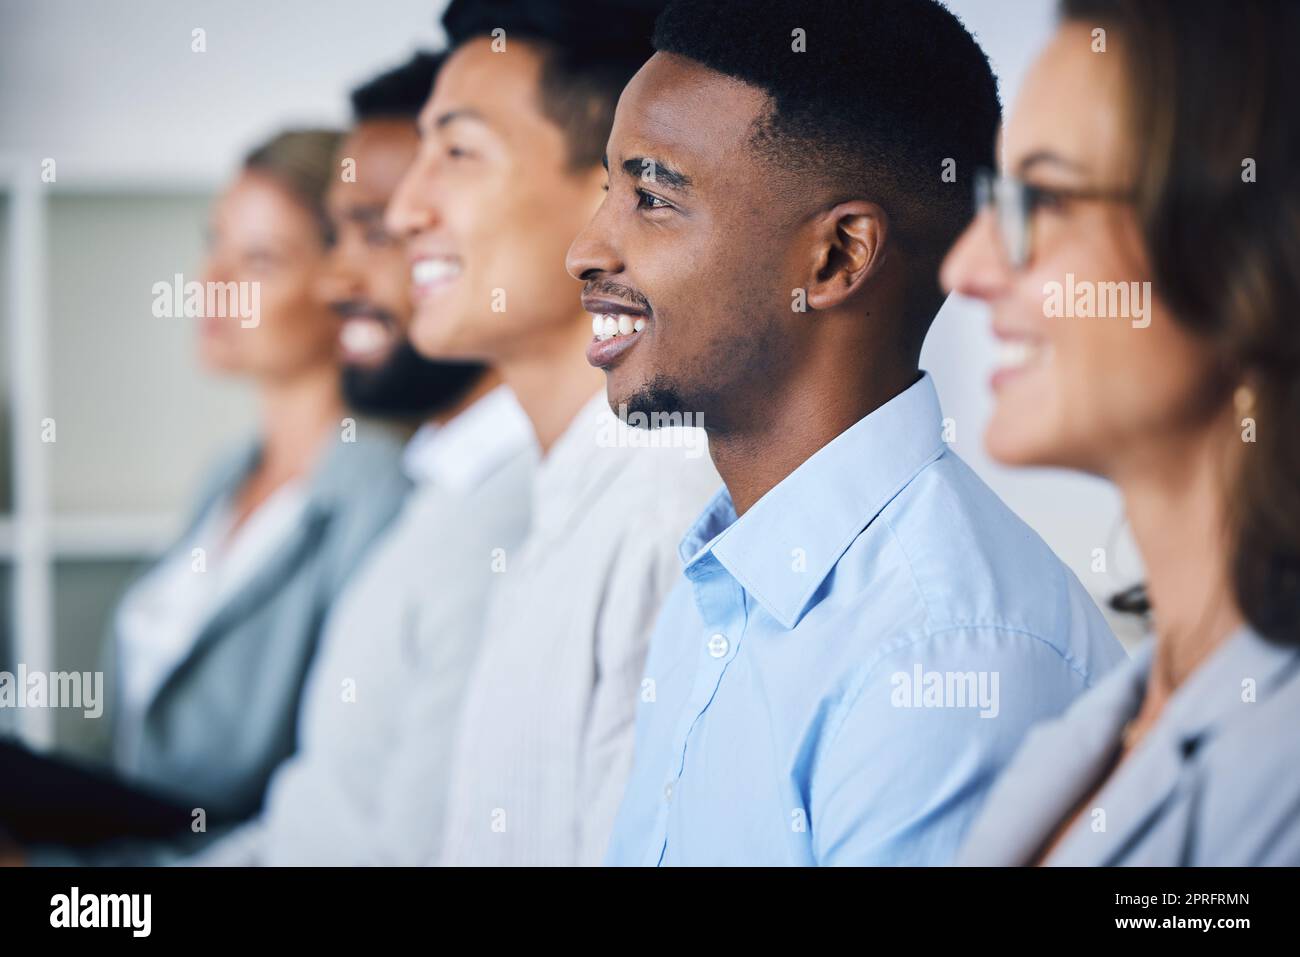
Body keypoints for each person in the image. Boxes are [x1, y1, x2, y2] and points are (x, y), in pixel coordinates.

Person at [570, 0, 1126, 867]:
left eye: (650, 197)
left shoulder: (943, 654)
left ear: (836, 258)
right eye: (609, 189)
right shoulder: (719, 583)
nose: (586, 248)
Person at [949, 0, 1300, 866]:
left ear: (1251, 250)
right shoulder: (1100, 728)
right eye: (1001, 199)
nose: (970, 268)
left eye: (1050, 197)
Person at [15, 128, 411, 865]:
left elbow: (328, 809)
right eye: (214, 244)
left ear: (346, 281)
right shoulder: (226, 476)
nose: (211, 281)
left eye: (259, 260)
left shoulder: (382, 493)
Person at [384, 0, 718, 867]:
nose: (404, 211)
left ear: (606, 187)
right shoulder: (562, 496)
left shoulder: (672, 519)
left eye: (457, 152)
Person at [185, 51, 534, 867]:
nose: (338, 277)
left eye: (377, 233)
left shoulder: (503, 514)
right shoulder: (434, 489)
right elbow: (316, 817)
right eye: (345, 231)